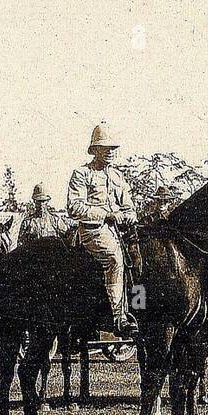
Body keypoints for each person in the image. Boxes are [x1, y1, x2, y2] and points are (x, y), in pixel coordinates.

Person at [68, 123, 138, 334]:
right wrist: (106, 214)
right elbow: (74, 207)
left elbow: (130, 208)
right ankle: (119, 318)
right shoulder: (82, 173)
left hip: (120, 230)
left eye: (112, 148)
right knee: (115, 259)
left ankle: (139, 307)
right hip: (93, 230)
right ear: (95, 150)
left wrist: (127, 217)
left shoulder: (118, 177)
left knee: (141, 259)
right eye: (105, 148)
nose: (110, 152)